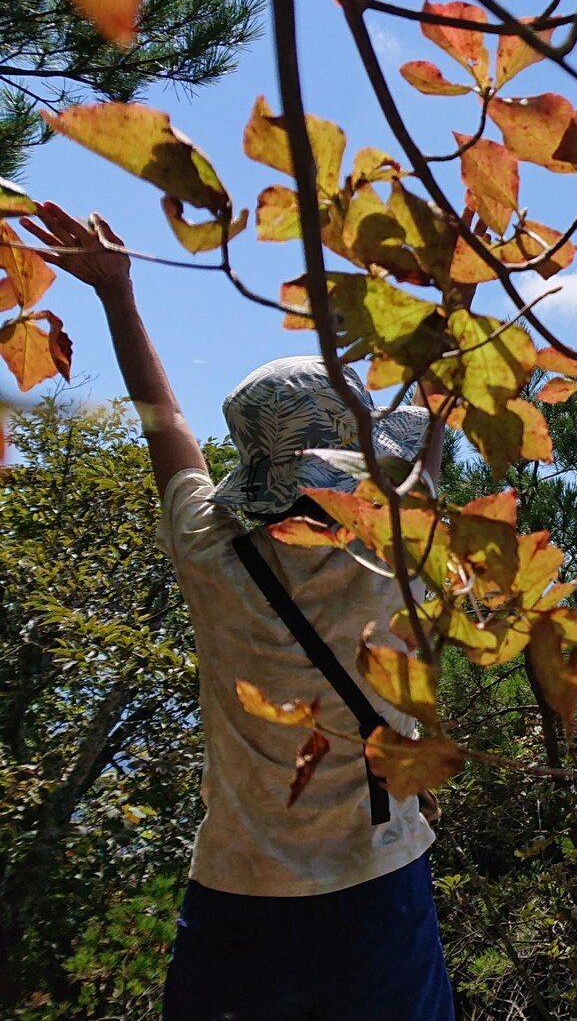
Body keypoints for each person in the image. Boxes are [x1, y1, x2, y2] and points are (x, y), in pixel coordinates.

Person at [22, 204, 456, 1021]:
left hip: (235, 893)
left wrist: (120, 299)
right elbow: (434, 424)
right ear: (362, 453)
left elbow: (168, 427)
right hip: (375, 887)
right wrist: (434, 298)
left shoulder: (210, 555)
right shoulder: (398, 549)